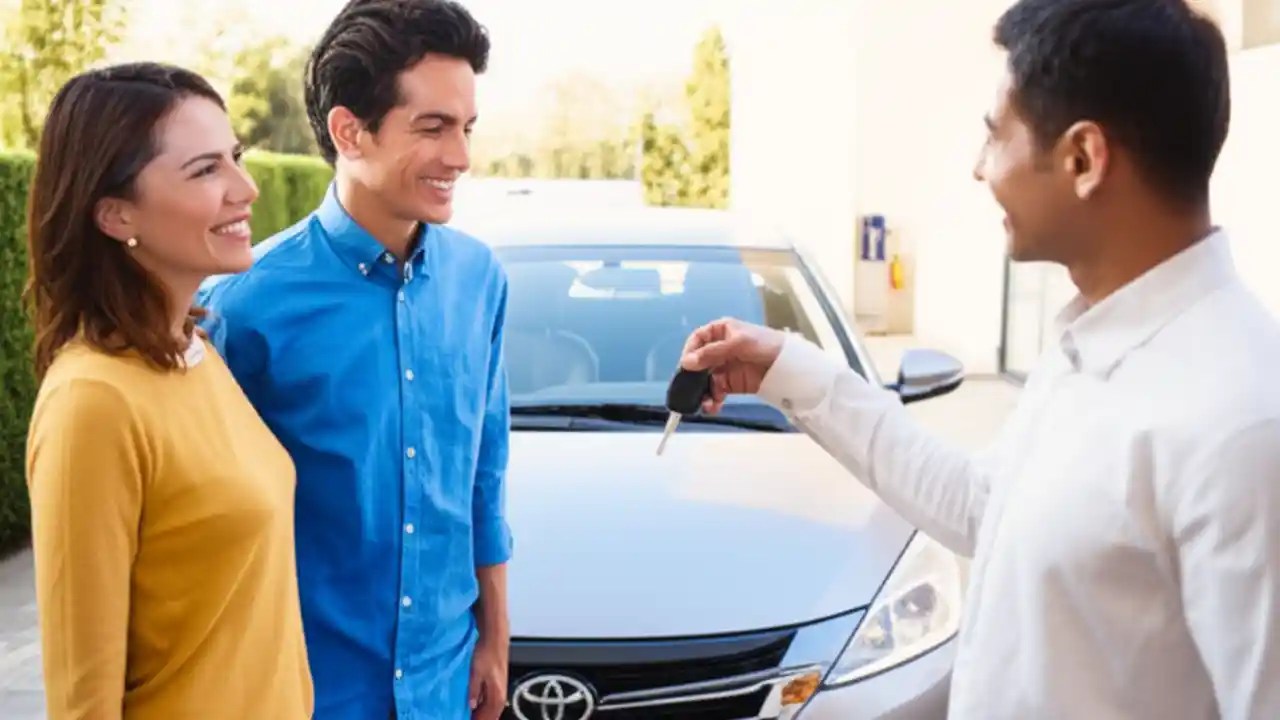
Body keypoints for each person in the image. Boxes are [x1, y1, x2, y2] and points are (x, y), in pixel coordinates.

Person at [680, 1, 1280, 718]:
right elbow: (981, 508)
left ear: (1083, 158)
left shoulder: (1243, 424)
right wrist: (788, 368)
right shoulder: (1089, 349)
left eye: (995, 135)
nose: (977, 168)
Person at [196, 2, 511, 718]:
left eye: (465, 128)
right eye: (432, 127)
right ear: (349, 131)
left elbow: (484, 478)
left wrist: (494, 637)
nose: (459, 157)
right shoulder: (242, 307)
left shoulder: (479, 282)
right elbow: (211, 527)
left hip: (447, 685)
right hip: (307, 692)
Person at [22, 62, 313, 719]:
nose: (247, 188)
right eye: (206, 170)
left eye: (234, 158)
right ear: (116, 213)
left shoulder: (196, 353)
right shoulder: (93, 402)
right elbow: (82, 698)